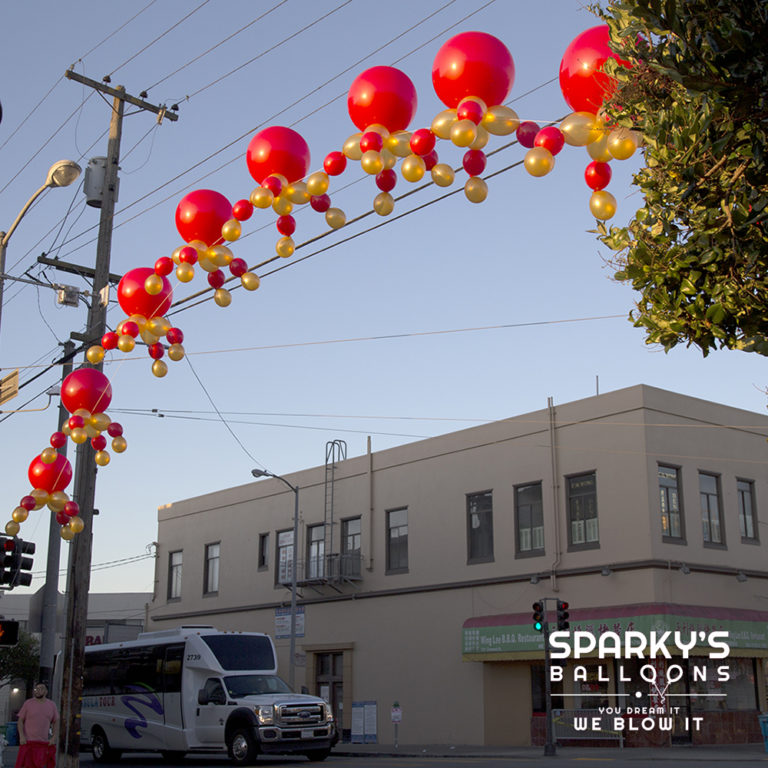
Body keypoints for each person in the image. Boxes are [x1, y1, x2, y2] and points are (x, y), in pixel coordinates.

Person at [15, 683, 58, 768]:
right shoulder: (28, 703)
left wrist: (54, 737)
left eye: (41, 689)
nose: (37, 691)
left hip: (43, 743)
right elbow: (20, 721)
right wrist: (21, 736)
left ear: (46, 691)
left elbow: (56, 721)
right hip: (28, 743)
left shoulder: (52, 705)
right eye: (36, 689)